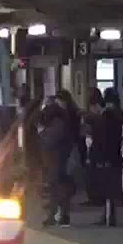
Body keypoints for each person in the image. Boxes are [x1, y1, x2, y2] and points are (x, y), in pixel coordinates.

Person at [87, 88, 123, 226]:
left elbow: (100, 139)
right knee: (112, 187)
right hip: (116, 155)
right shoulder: (119, 115)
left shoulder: (105, 117)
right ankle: (110, 215)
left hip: (106, 156)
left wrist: (96, 156)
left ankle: (109, 217)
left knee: (107, 187)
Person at [38, 96, 74, 227]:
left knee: (57, 190)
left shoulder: (57, 125)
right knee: (59, 189)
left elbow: (48, 143)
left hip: (57, 161)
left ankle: (56, 216)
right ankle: (59, 216)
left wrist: (41, 133)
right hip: (59, 161)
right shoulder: (61, 123)